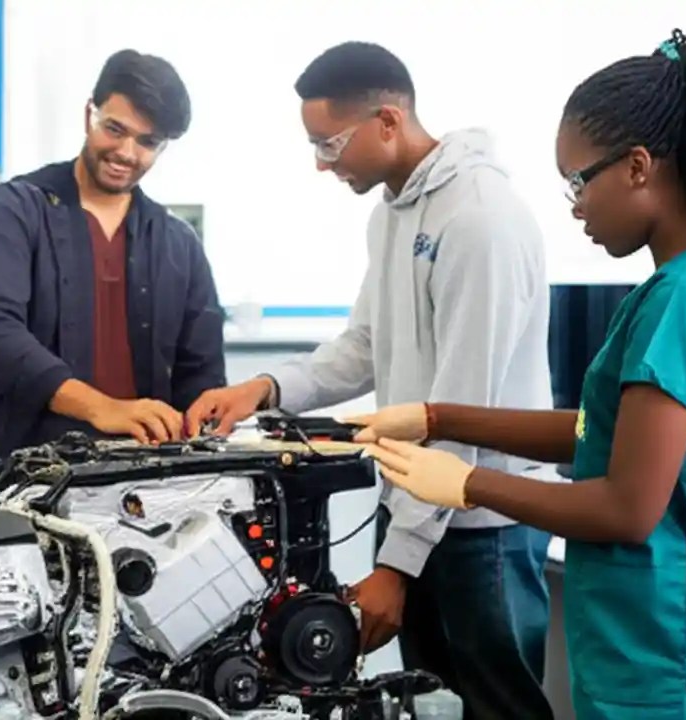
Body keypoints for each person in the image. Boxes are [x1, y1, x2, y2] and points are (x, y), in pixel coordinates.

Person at [354, 29, 686, 720]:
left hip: (677, 657)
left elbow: (626, 507)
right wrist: (439, 419)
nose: (575, 205)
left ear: (639, 166)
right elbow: (602, 430)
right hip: (669, 637)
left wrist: (466, 482)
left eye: (579, 181)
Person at [183, 42, 557, 719]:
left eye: (328, 144)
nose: (322, 165)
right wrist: (263, 388)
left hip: (484, 522)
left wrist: (396, 563)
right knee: (433, 702)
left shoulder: (480, 218)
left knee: (499, 706)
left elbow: (459, 409)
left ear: (387, 120)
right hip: (420, 503)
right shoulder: (392, 213)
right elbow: (365, 347)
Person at [0, 49, 224, 472]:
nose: (126, 152)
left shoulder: (178, 241)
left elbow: (201, 372)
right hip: (18, 476)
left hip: (146, 484)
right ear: (90, 112)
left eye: (147, 142)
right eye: (115, 129)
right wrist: (99, 408)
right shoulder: (12, 211)